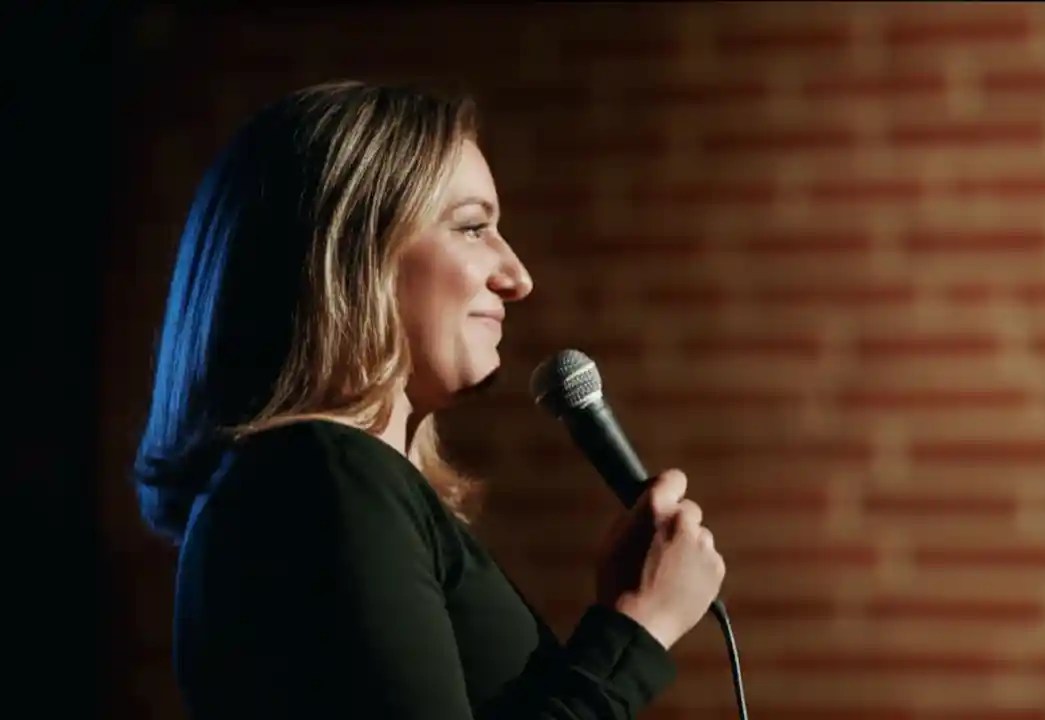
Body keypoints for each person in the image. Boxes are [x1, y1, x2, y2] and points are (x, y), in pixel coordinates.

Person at [132, 80, 726, 719]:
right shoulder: (322, 472)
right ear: (354, 254)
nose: (517, 277)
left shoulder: (318, 481)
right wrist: (634, 632)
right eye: (473, 229)